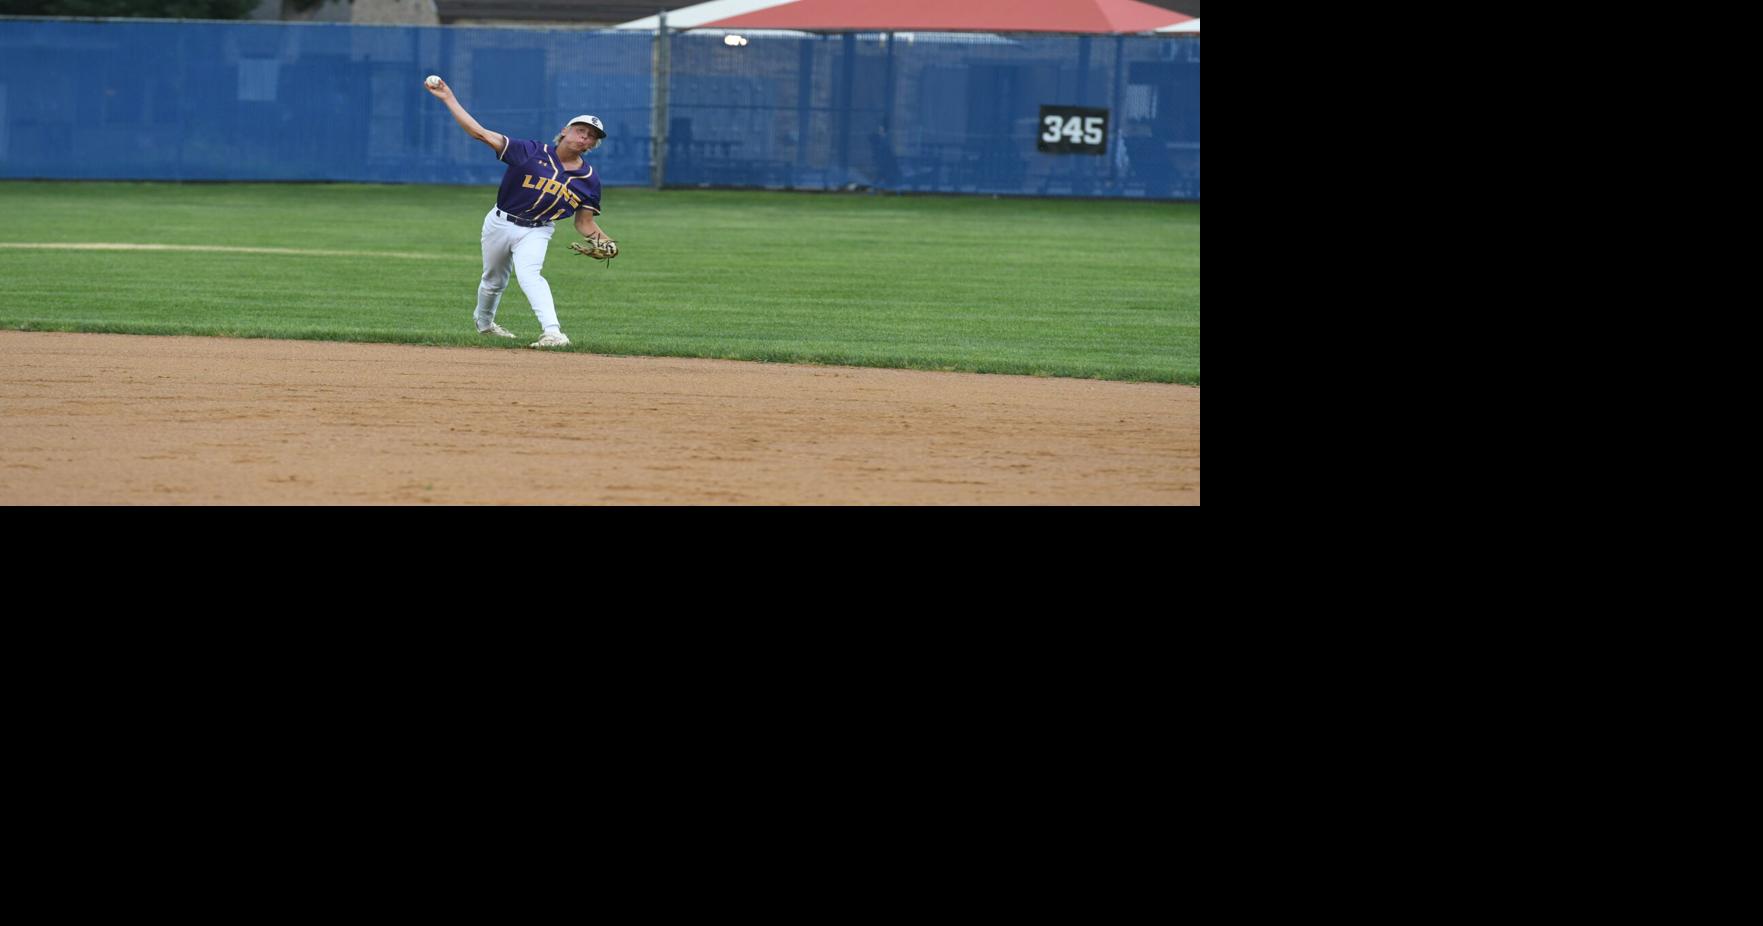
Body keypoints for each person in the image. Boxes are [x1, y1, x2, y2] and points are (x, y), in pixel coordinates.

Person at [423, 76, 613, 349]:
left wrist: (602, 240)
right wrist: (448, 98)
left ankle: (553, 333)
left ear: (592, 145)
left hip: (538, 230)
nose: (585, 137)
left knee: (529, 275)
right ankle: (485, 325)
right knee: (493, 281)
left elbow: (584, 223)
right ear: (566, 130)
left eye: (591, 136)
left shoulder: (589, 179)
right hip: (499, 222)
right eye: (580, 130)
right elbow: (480, 133)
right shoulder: (529, 151)